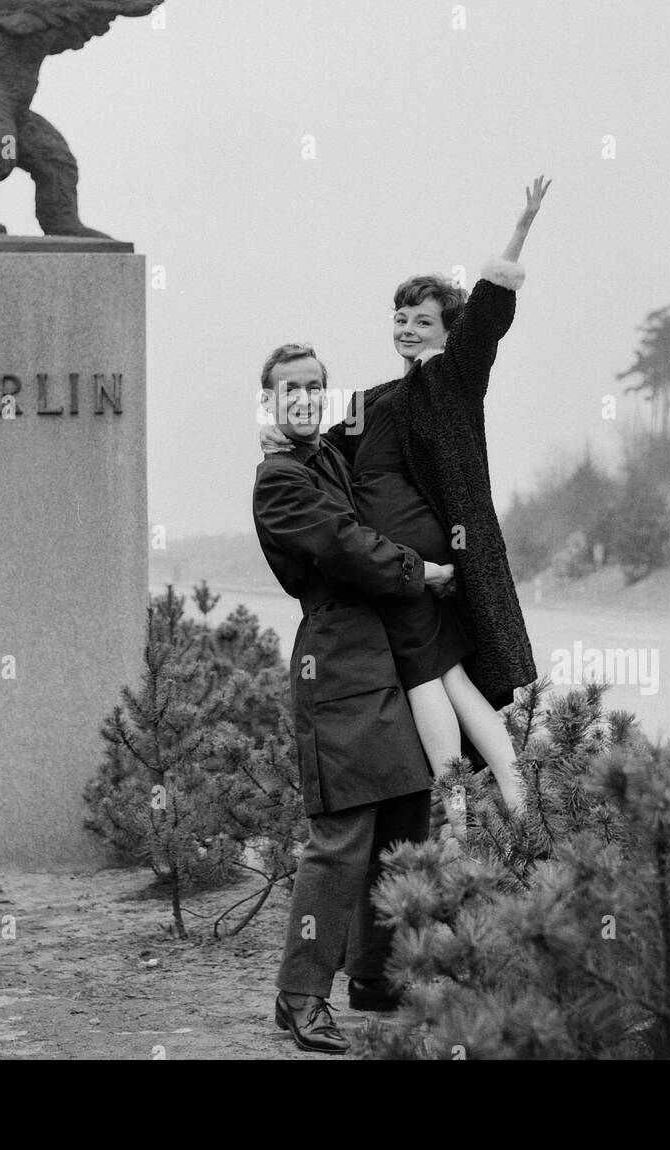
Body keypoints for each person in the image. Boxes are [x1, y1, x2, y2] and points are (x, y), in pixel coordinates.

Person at [262, 176, 551, 834]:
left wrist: (519, 230)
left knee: (428, 683)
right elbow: (323, 446)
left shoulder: (450, 379)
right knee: (452, 683)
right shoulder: (374, 401)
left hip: (419, 569)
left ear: (444, 332)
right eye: (400, 318)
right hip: (402, 567)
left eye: (423, 320)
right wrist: (278, 433)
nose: (407, 328)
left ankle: (453, 821)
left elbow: (485, 316)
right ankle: (515, 804)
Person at [252, 341, 455, 1054]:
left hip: (383, 661)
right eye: (289, 389)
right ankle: (299, 997)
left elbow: (385, 417)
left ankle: (373, 976)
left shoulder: (329, 453)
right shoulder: (278, 480)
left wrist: (430, 359)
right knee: (339, 840)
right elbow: (344, 543)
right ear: (269, 401)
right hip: (335, 668)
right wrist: (419, 570)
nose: (304, 397)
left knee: (404, 814)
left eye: (314, 386)